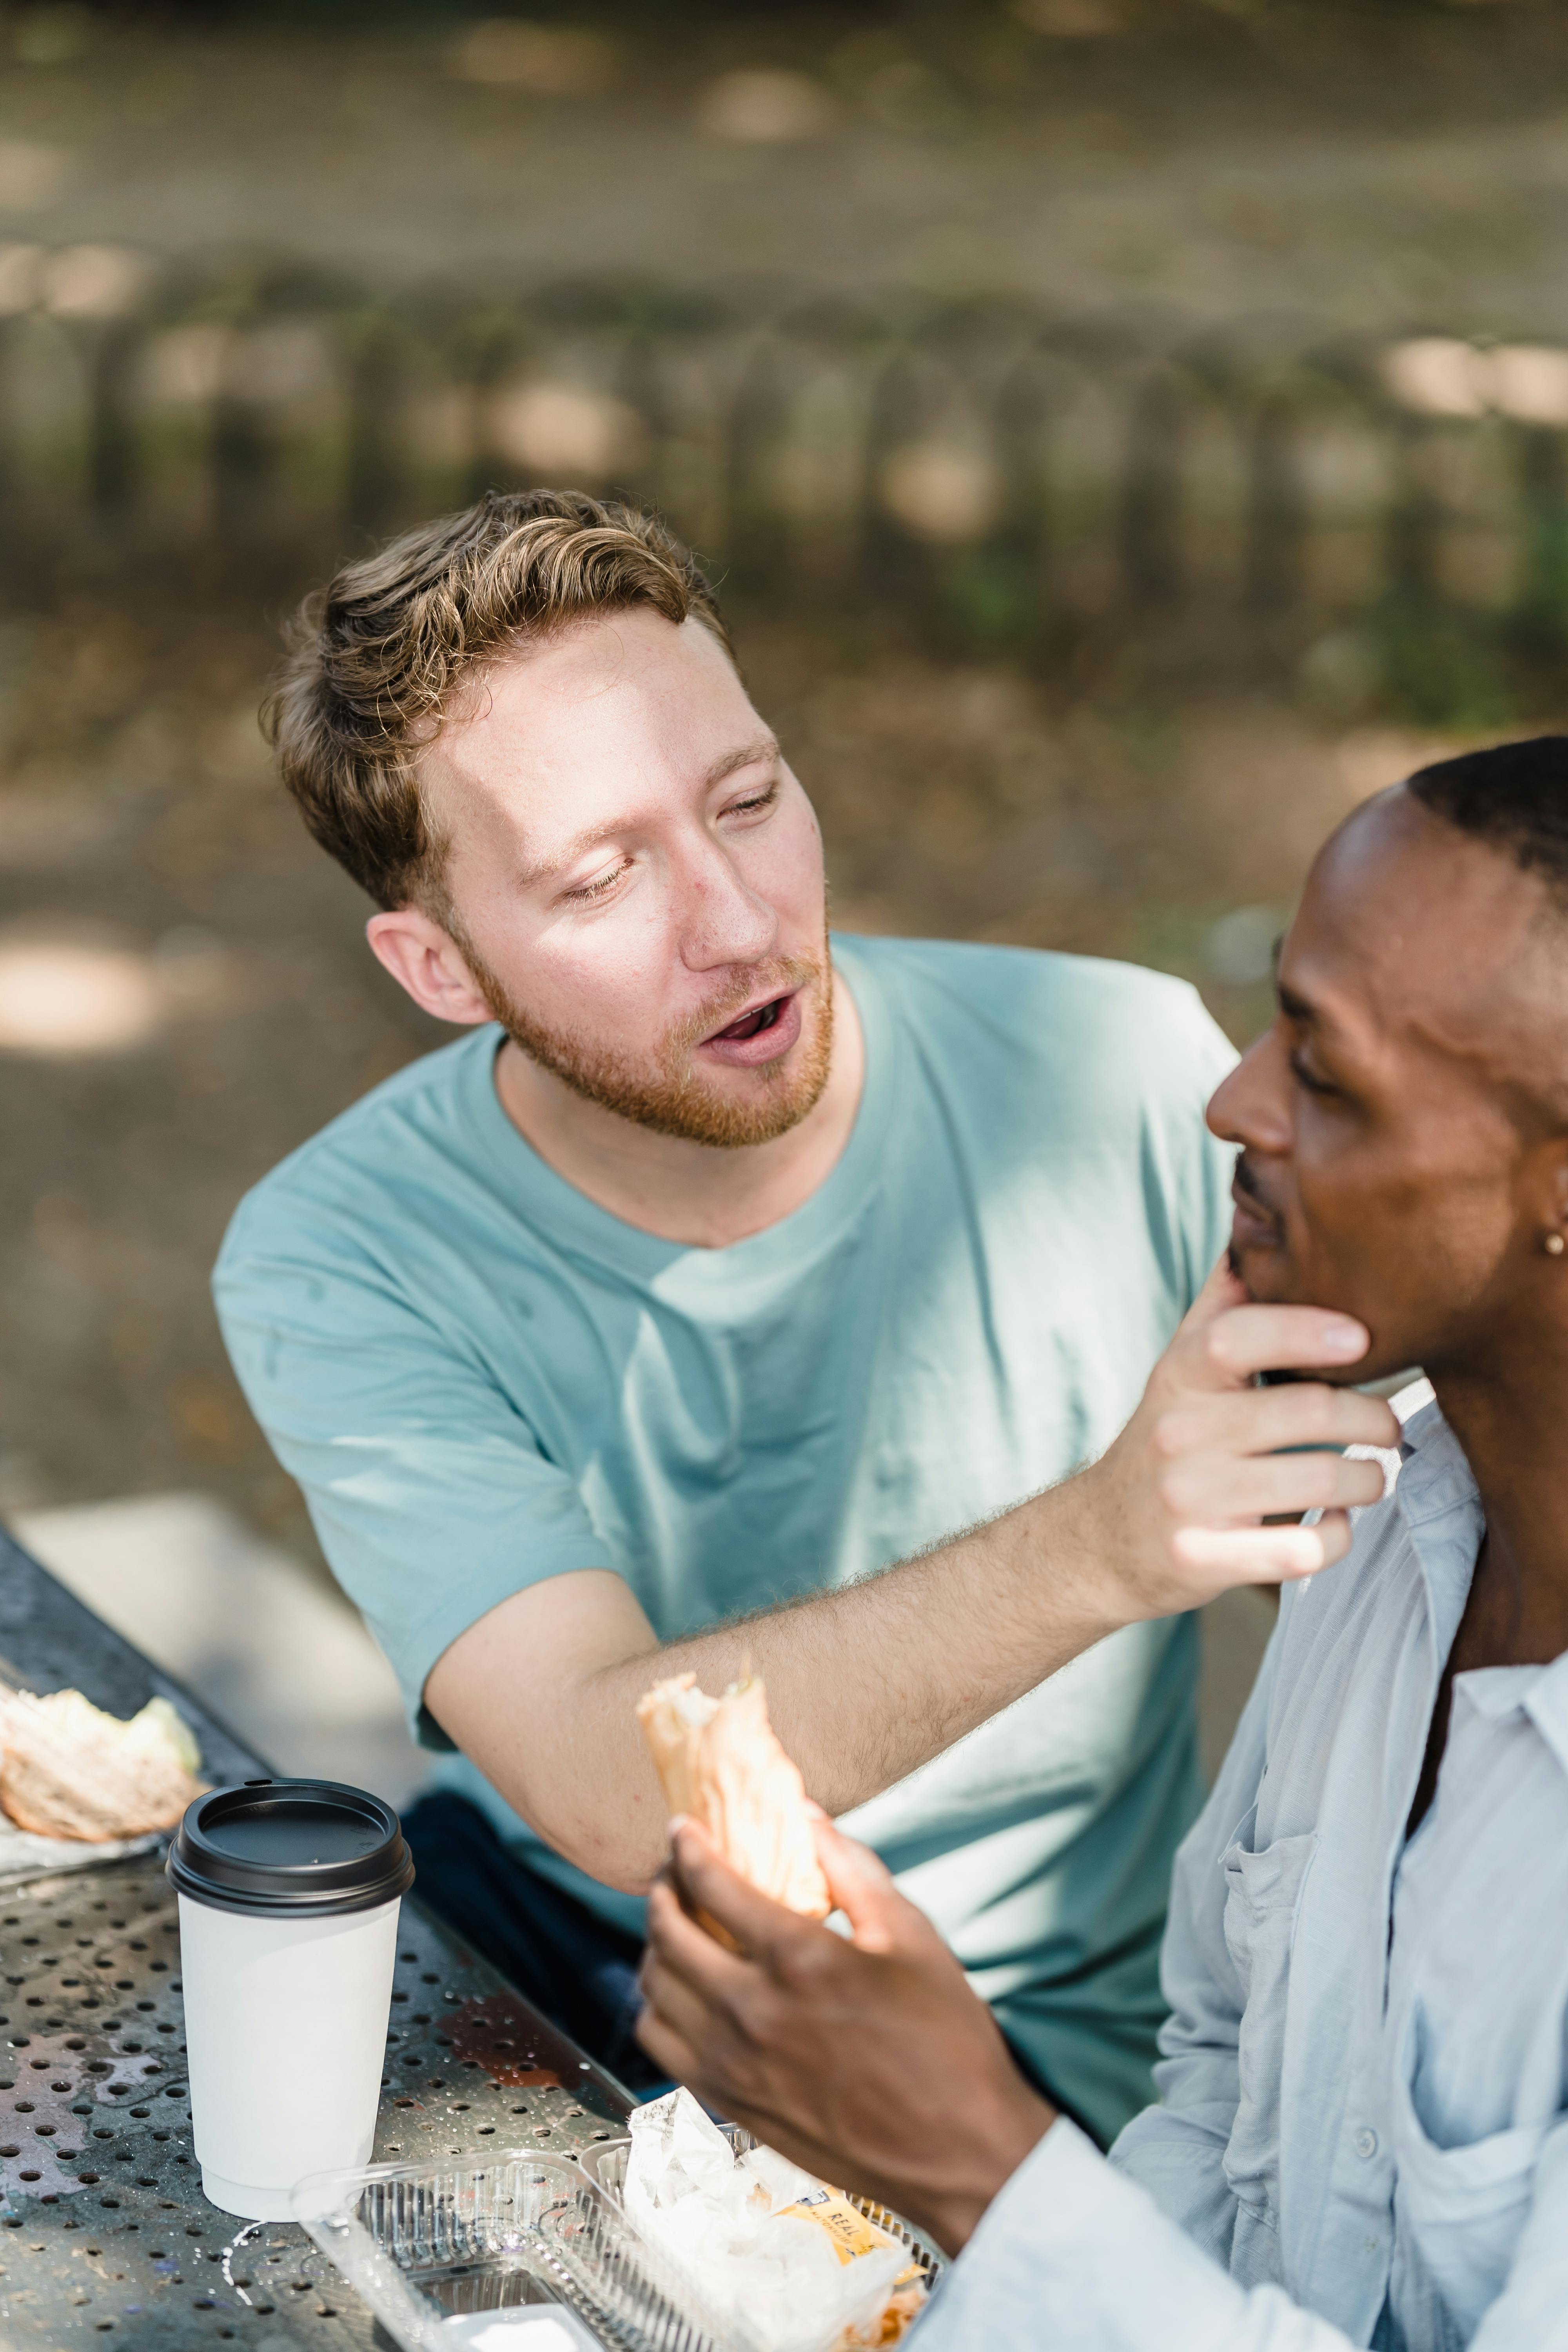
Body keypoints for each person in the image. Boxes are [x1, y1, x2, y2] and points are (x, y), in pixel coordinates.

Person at [214, 487, 1390, 2137]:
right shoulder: (340, 1250)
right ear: (442, 969)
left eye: (748, 799)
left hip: (1016, 2022)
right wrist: (1106, 1541)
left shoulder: (1122, 1078)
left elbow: (1441, 1564)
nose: (740, 922)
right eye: (599, 880)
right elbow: (607, 1793)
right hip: (570, 1939)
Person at [635, 737, 1568, 2350]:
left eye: (1325, 1075)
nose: (1233, 1100)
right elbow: (1216, 2076)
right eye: (1277, 1012)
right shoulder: (1377, 1513)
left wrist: (976, 2169)